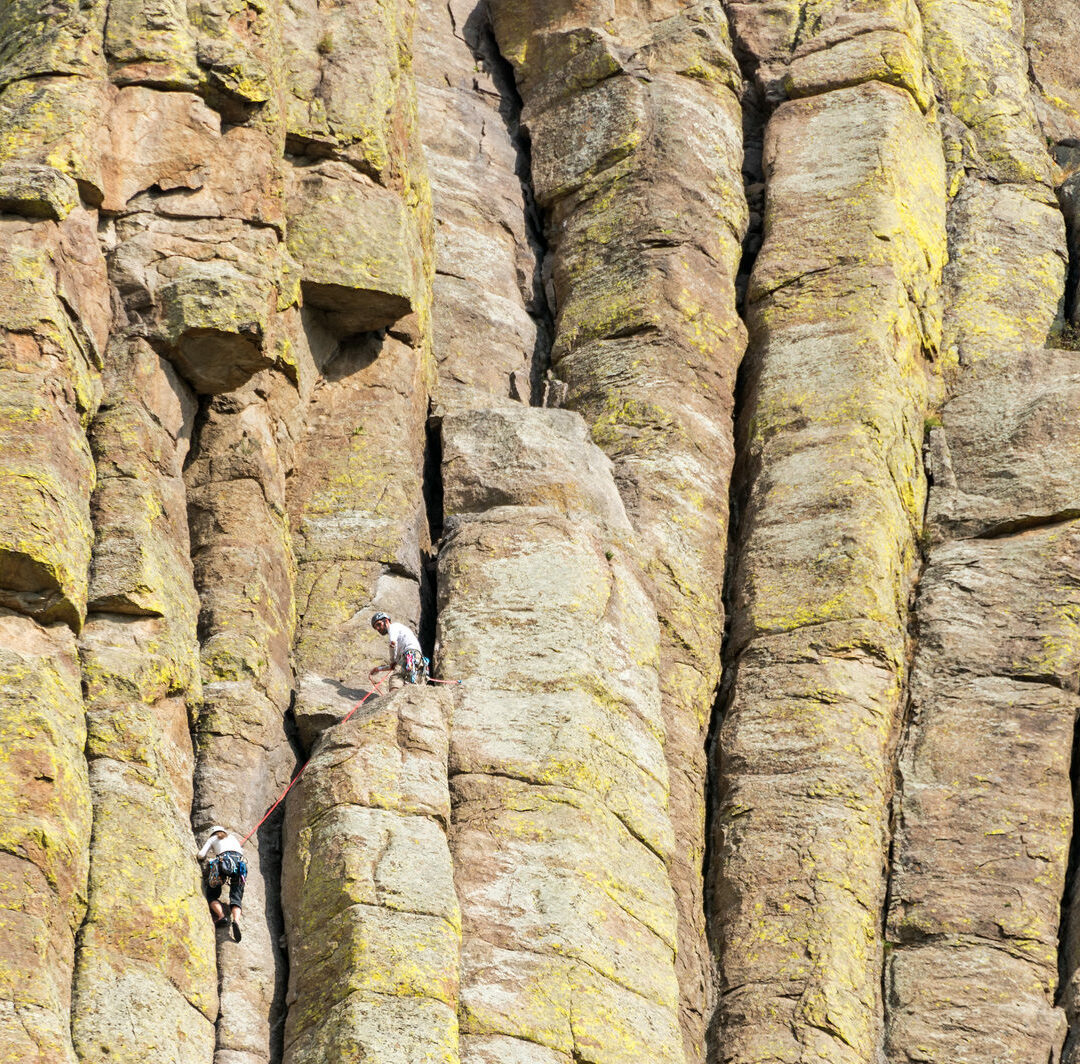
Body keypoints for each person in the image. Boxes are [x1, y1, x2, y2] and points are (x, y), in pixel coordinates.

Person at [197, 826, 247, 942]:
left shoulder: (213, 838)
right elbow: (241, 851)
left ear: (212, 833)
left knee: (211, 895)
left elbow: (201, 854)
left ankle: (221, 916)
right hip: (240, 866)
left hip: (222, 864)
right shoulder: (233, 838)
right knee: (236, 897)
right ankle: (236, 920)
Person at [370, 612, 427, 690]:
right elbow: (396, 665)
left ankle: (393, 699)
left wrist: (392, 660)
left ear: (386, 621)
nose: (378, 628)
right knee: (411, 683)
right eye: (376, 627)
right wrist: (379, 669)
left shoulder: (393, 627)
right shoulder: (401, 636)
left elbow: (392, 643)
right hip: (416, 659)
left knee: (396, 678)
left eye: (379, 624)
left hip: (410, 655)